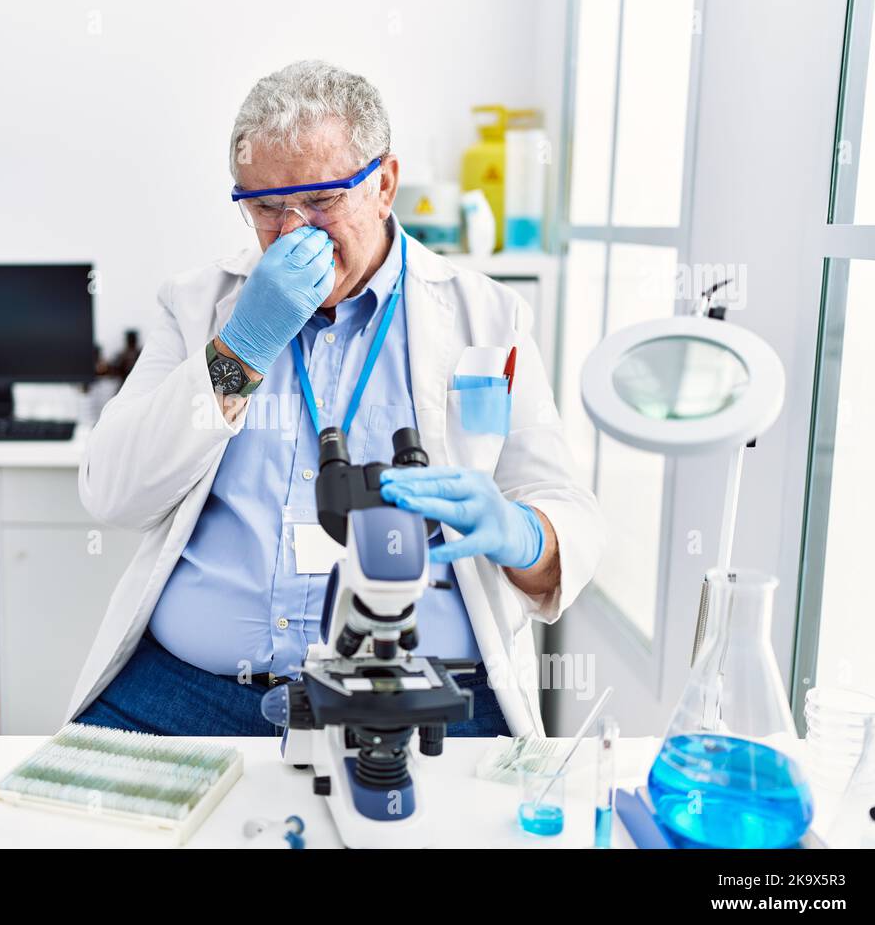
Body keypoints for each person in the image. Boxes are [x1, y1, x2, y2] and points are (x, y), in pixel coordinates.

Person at [69, 60, 605, 738]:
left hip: (418, 694)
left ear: (383, 185)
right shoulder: (200, 306)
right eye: (266, 207)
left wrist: (524, 533)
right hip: (192, 691)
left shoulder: (489, 318)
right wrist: (241, 349)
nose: (293, 234)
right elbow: (114, 491)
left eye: (320, 201)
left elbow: (570, 518)